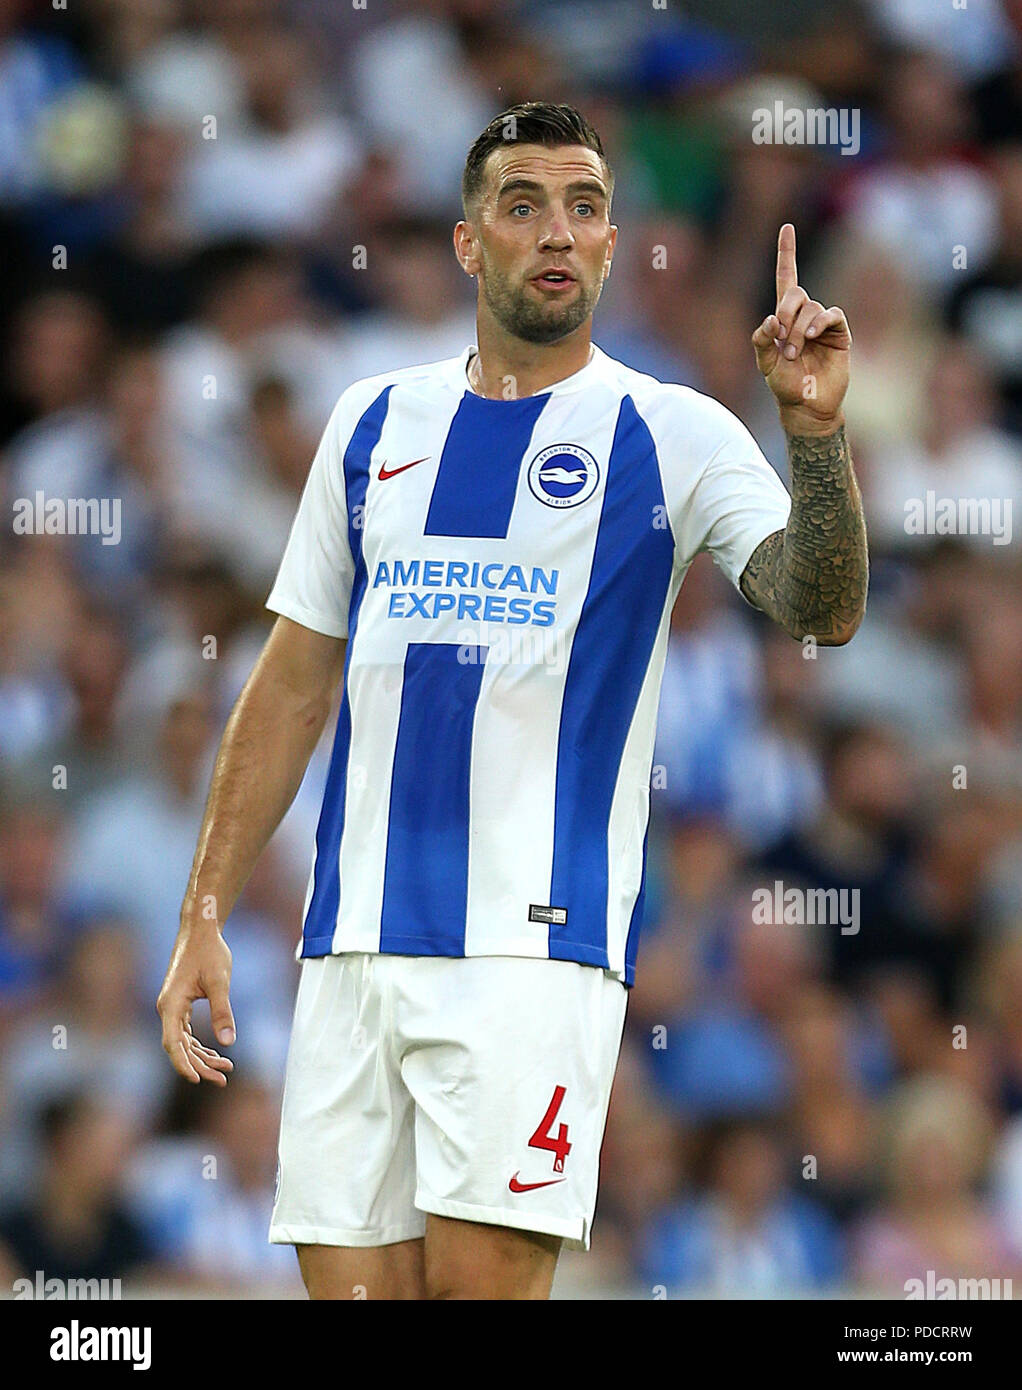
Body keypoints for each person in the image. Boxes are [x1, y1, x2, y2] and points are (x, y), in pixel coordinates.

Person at [156, 102, 868, 1301]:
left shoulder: (672, 430)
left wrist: (811, 437)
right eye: (522, 204)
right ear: (465, 243)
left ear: (607, 243)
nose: (557, 230)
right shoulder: (370, 420)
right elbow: (289, 680)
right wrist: (204, 910)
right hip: (349, 949)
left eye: (584, 207)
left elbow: (821, 606)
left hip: (530, 955)